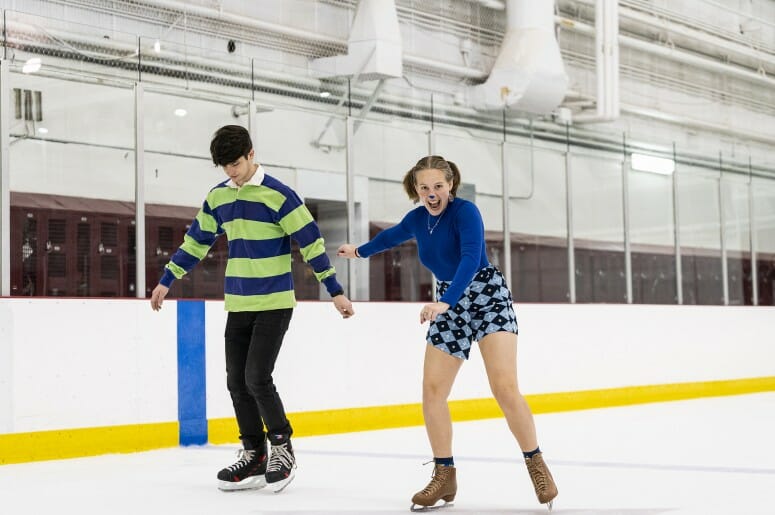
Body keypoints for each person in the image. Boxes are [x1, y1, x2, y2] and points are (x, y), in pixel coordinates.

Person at [337, 155, 557, 511]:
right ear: (417, 189)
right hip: (447, 302)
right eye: (424, 187)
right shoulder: (418, 218)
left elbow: (471, 257)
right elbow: (392, 236)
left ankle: (536, 463)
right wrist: (358, 252)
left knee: (504, 386)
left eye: (438, 186)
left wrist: (447, 300)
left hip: (486, 297)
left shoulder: (465, 213)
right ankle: (444, 474)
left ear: (451, 184)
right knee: (433, 390)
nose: (432, 194)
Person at [150, 125, 354, 493]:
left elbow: (311, 243)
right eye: (225, 166)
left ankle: (282, 448)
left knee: (257, 377)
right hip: (239, 301)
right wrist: (168, 278)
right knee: (236, 381)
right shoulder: (219, 197)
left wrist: (335, 291)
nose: (231, 171)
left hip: (275, 300)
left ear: (251, 154)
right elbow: (196, 241)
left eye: (236, 163)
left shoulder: (279, 195)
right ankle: (254, 453)